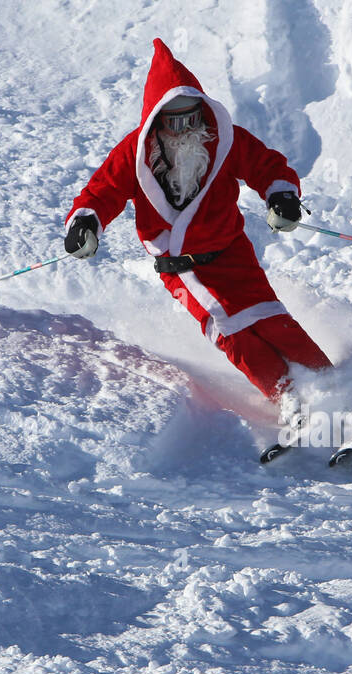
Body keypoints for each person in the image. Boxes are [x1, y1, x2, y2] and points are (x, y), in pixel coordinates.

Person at [64, 38, 332, 419]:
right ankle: (288, 397)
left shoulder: (224, 138)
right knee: (231, 331)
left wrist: (281, 197)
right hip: (181, 265)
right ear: (156, 119)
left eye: (193, 118)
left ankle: (332, 384)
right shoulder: (134, 152)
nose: (185, 130)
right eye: (174, 122)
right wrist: (86, 221)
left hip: (232, 250)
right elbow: (102, 191)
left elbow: (267, 166)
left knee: (271, 319)